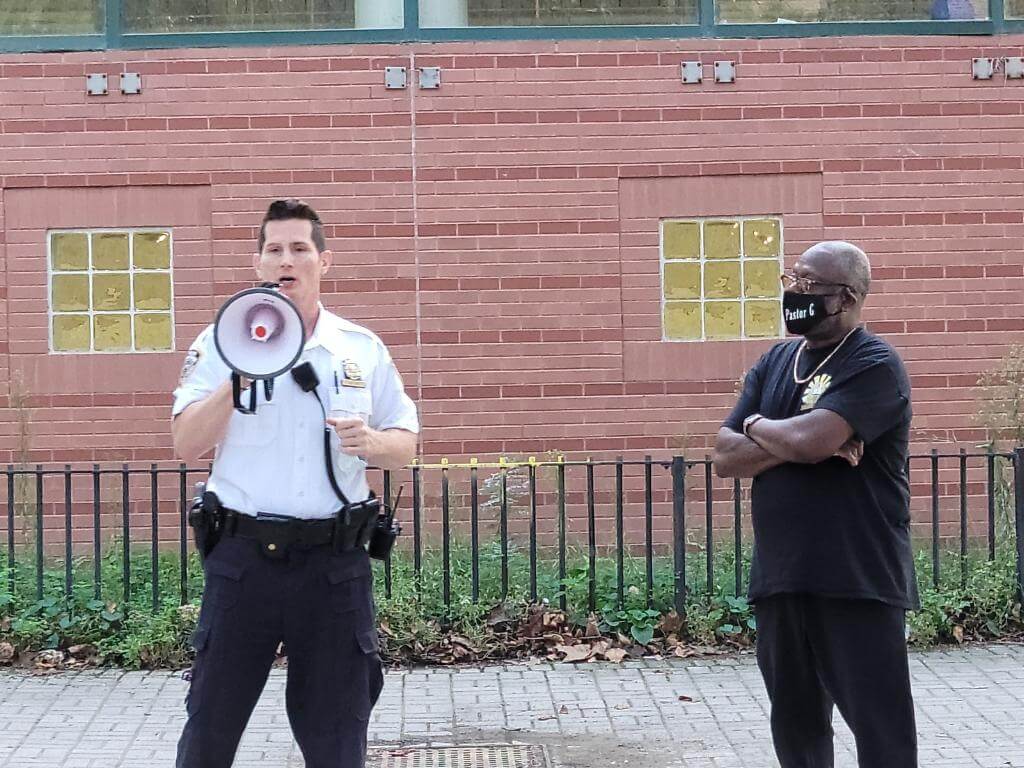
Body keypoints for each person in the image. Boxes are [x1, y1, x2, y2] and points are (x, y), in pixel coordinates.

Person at [172, 199, 419, 768]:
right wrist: (237, 380)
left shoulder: (358, 348)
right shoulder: (220, 343)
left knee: (337, 743)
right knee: (208, 736)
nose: (287, 260)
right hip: (243, 564)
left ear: (323, 261)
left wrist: (370, 442)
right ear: (259, 263)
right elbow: (185, 443)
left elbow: (405, 445)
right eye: (274, 249)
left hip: (333, 568)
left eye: (300, 248)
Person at [712, 241, 919, 768]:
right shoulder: (775, 361)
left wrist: (765, 429)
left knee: (881, 731)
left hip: (857, 580)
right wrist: (783, 435)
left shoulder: (874, 364)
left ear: (845, 298)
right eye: (793, 280)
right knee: (796, 727)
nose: (794, 293)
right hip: (782, 579)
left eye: (809, 285)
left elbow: (811, 441)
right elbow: (724, 456)